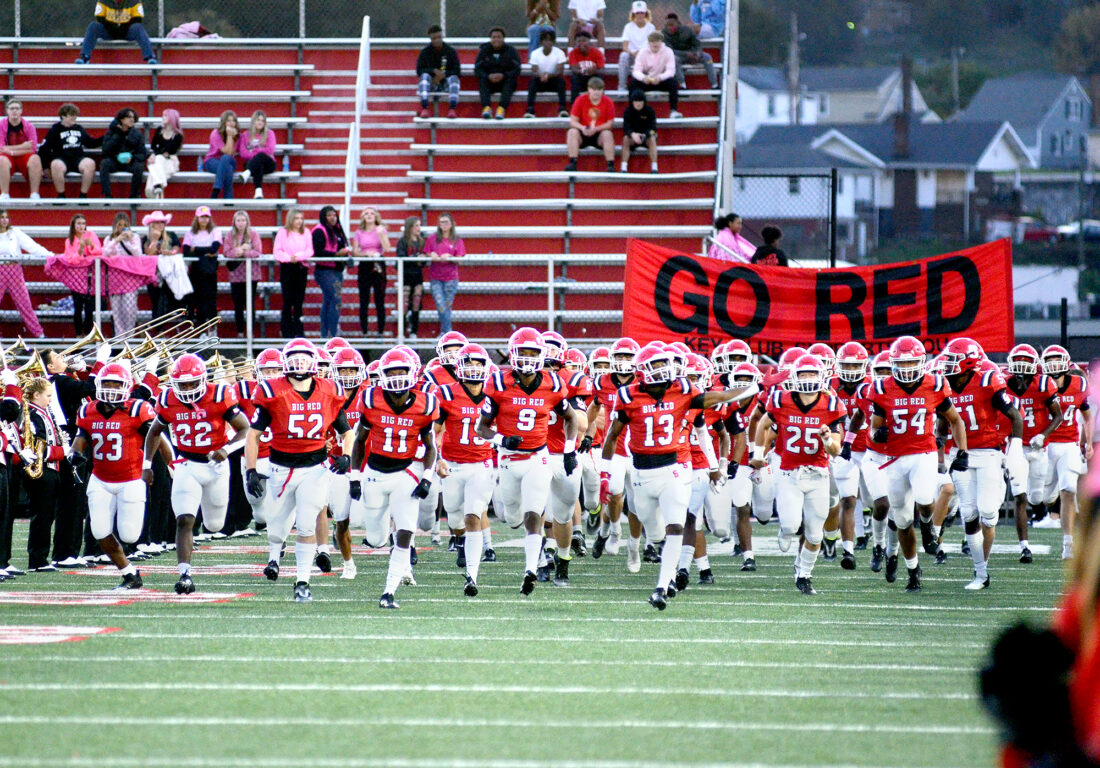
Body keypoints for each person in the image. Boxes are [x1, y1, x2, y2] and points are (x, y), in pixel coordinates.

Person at [600, 343, 757, 608]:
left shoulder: (683, 389)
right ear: (643, 371)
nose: (664, 369)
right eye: (657, 365)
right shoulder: (627, 395)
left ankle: (662, 587)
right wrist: (606, 474)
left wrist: (746, 390)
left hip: (675, 468)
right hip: (642, 472)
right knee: (657, 533)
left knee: (676, 525)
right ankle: (649, 554)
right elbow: (612, 436)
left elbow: (716, 398)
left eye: (665, 364)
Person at [246, 338, 352, 602]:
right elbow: (253, 436)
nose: (299, 364)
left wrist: (347, 456)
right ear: (285, 363)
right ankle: (274, 558)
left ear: (314, 362)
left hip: (315, 468)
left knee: (306, 527)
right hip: (280, 467)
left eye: (304, 359)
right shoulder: (272, 391)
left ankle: (302, 581)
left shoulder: (329, 390)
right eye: (294, 359)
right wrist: (250, 469)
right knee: (276, 526)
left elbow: (346, 432)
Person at [476, 328, 578, 595]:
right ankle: (534, 558)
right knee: (512, 517)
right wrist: (500, 439)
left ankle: (531, 568)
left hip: (538, 457)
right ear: (513, 354)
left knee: (534, 514)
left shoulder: (553, 383)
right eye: (524, 352)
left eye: (533, 353)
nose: (528, 358)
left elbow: (570, 418)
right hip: (509, 460)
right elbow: (481, 427)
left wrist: (569, 450)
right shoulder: (498, 383)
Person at [142, 353, 250, 594]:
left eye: (192, 383)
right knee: (184, 519)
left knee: (214, 526)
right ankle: (185, 574)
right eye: (183, 384)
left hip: (216, 465)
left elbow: (246, 429)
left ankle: (203, 531)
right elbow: (154, 432)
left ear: (203, 380)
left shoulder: (219, 395)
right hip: (186, 464)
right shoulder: (168, 399)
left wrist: (227, 448)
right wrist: (146, 465)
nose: (188, 389)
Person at [868, 336, 969, 592]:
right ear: (893, 365)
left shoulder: (934, 384)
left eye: (912, 362)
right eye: (902, 364)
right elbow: (873, 428)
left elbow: (955, 419)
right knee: (902, 521)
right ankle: (913, 570)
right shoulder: (883, 388)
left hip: (924, 452)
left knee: (925, 498)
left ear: (922, 362)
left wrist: (963, 449)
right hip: (894, 458)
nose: (907, 369)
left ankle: (928, 529)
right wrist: (876, 434)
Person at [349, 349, 440, 609]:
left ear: (414, 374)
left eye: (402, 372)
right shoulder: (370, 399)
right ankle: (383, 541)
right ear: (382, 375)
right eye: (391, 372)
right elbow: (359, 441)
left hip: (406, 472)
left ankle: (389, 592)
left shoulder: (426, 403)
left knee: (406, 530)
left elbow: (430, 444)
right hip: (376, 473)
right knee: (376, 539)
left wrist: (426, 477)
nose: (397, 377)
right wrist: (355, 477)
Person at [70, 363, 168, 590]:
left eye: (117, 384)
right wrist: (74, 454)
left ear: (127, 387)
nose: (112, 388)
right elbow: (81, 438)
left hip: (131, 478)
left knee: (130, 535)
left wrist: (168, 464)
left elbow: (158, 438)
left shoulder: (137, 409)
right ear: (98, 385)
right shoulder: (87, 411)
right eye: (107, 383)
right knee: (99, 531)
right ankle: (129, 573)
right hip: (100, 478)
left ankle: (130, 570)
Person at [939, 338, 1023, 590]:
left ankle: (982, 564)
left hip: (988, 453)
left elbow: (1015, 416)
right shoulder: (944, 386)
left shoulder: (987, 381)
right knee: (968, 514)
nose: (947, 364)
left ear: (967, 363)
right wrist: (939, 453)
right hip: (961, 454)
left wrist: (1016, 449)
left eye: (953, 359)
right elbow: (943, 425)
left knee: (988, 512)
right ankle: (980, 573)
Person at [1003, 344, 1064, 562]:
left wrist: (1043, 435)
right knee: (1020, 496)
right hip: (1016, 446)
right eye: (1017, 360)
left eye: (1025, 361)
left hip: (1038, 447)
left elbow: (1058, 416)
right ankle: (1025, 547)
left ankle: (1053, 493)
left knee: (1039, 497)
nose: (1020, 366)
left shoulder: (1044, 384)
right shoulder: (1003, 384)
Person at [1040, 344, 1092, 560]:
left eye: (1056, 359)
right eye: (1048, 360)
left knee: (1068, 490)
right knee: (1042, 496)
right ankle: (1049, 506)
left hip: (1069, 444)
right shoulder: (1039, 385)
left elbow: (1088, 416)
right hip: (1044, 446)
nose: (1052, 364)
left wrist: (1087, 442)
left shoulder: (1079, 384)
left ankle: (1068, 544)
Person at [0, 210, 47, 338]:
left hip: (14, 269)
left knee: (25, 304)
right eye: (1, 217)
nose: (4, 220)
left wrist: (51, 256)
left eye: (6, 217)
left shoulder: (15, 233)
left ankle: (39, 334)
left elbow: (32, 246)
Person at [40, 103, 101, 199]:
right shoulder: (55, 129)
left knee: (90, 163)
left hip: (78, 158)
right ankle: (61, 195)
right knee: (55, 165)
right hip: (61, 158)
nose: (74, 117)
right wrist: (45, 167)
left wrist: (106, 137)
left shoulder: (79, 128)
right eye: (71, 115)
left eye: (75, 115)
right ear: (63, 116)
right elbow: (44, 149)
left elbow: (90, 143)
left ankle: (83, 195)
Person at [102, 211, 144, 335]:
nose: (122, 228)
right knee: (117, 310)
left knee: (129, 308)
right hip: (115, 278)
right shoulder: (109, 239)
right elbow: (105, 253)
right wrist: (116, 240)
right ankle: (119, 337)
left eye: (124, 225)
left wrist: (129, 240)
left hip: (130, 277)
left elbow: (138, 254)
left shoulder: (134, 237)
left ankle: (129, 336)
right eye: (119, 225)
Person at [75, 0, 157, 65]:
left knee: (138, 27)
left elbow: (137, 18)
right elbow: (99, 17)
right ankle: (85, 56)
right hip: (109, 30)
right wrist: (113, 28)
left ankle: (150, 56)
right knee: (93, 26)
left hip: (127, 31)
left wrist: (123, 28)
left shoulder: (134, 1)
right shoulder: (103, 1)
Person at [312, 205, 351, 338]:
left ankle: (327, 332)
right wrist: (336, 254)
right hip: (325, 270)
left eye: (334, 215)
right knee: (335, 299)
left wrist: (345, 257)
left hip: (337, 270)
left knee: (329, 300)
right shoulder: (319, 231)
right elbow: (317, 252)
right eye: (329, 215)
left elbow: (343, 248)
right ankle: (331, 332)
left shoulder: (338, 230)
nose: (332, 218)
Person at [141, 210, 188, 320]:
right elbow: (149, 252)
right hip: (154, 274)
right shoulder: (146, 238)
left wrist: (170, 253)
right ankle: (157, 326)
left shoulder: (171, 235)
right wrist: (155, 239)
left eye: (162, 222)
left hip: (170, 272)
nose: (160, 225)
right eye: (157, 223)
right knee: (156, 300)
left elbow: (176, 248)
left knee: (167, 299)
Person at [274, 208, 312, 338]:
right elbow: (277, 251)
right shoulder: (283, 232)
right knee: (287, 300)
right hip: (287, 268)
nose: (299, 221)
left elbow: (309, 250)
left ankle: (299, 331)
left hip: (301, 268)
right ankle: (286, 331)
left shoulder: (306, 232)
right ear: (291, 219)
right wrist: (289, 258)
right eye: (296, 218)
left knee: (299, 301)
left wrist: (299, 256)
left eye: (301, 218)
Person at [181, 206, 222, 325]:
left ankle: (212, 326)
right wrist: (206, 252)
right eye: (201, 217)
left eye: (206, 217)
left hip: (210, 268)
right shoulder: (190, 232)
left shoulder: (215, 231)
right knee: (197, 298)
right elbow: (186, 251)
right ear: (197, 218)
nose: (204, 220)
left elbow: (214, 248)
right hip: (196, 269)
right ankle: (201, 327)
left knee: (210, 298)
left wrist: (196, 249)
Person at [424, 213, 465, 334]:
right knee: (440, 304)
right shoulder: (432, 238)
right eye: (441, 222)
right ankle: (448, 332)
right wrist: (432, 255)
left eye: (446, 222)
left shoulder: (457, 240)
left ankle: (445, 332)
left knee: (447, 306)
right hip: (436, 277)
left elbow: (460, 258)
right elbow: (427, 251)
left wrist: (449, 257)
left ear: (451, 224)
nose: (444, 225)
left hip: (451, 278)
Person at [224, 210, 263, 335]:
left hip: (251, 274)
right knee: (238, 304)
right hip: (236, 275)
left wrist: (244, 253)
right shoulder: (230, 235)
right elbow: (226, 252)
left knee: (250, 304)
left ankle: (250, 331)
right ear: (234, 222)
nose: (241, 223)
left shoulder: (253, 234)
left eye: (243, 220)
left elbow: (257, 252)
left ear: (247, 222)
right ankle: (240, 331)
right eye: (238, 220)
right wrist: (240, 249)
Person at [565, 77, 616, 173]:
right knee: (572, 131)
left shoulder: (608, 102)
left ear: (602, 90)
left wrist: (596, 129)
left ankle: (610, 164)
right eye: (594, 89)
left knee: (607, 134)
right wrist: (583, 128)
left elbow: (609, 124)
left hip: (599, 134)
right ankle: (573, 162)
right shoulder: (580, 100)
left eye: (599, 90)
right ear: (588, 89)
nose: (596, 92)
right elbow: (573, 121)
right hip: (583, 132)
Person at [63, 214, 102, 335]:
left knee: (89, 308)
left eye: (83, 223)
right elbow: (71, 260)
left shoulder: (91, 235)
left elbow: (99, 251)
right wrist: (80, 250)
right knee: (78, 308)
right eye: (78, 224)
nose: (81, 226)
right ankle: (78, 334)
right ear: (73, 226)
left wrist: (90, 245)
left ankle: (89, 334)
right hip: (76, 279)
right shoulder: (69, 241)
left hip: (90, 277)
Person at [353, 207, 390, 337]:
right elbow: (355, 252)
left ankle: (380, 331)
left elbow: (387, 248)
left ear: (376, 216)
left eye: (372, 213)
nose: (369, 215)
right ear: (363, 217)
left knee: (379, 299)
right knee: (364, 300)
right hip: (365, 264)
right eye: (366, 213)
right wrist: (365, 254)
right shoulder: (359, 232)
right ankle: (364, 331)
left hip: (378, 263)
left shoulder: (381, 229)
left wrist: (381, 234)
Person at [474, 27, 522, 120]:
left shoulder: (511, 51)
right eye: (494, 37)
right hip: (490, 82)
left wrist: (504, 75)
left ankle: (501, 108)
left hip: (505, 82)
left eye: (499, 37)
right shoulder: (484, 50)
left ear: (503, 38)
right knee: (482, 80)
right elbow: (477, 69)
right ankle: (486, 108)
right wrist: (488, 76)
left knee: (510, 80)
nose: (496, 39)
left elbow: (517, 69)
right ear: (490, 39)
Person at [630, 32, 681, 118]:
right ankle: (633, 111)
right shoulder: (642, 52)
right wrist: (643, 78)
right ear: (649, 42)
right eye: (652, 41)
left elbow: (671, 71)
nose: (655, 43)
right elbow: (636, 71)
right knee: (633, 83)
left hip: (661, 80)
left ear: (661, 42)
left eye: (657, 41)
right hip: (647, 80)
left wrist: (660, 77)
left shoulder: (668, 51)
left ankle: (673, 111)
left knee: (672, 82)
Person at [99, 107, 146, 199]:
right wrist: (118, 135)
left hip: (130, 162)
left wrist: (132, 158)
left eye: (133, 117)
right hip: (115, 161)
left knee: (139, 166)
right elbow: (105, 151)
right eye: (129, 117)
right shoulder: (112, 132)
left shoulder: (137, 134)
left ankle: (134, 195)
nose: (132, 119)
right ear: (121, 119)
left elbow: (142, 154)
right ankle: (107, 195)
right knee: (104, 164)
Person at [0, 100, 43, 201]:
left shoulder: (29, 126)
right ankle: (4, 194)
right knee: (1, 160)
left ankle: (34, 194)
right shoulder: (1, 126)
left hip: (22, 156)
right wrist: (22, 146)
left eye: (17, 108)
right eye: (12, 108)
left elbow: (32, 148)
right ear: (7, 111)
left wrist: (11, 150)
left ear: (21, 111)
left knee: (35, 158)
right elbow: (1, 148)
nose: (14, 111)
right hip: (7, 156)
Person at [416, 25, 461, 120]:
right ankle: (425, 108)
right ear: (430, 39)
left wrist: (444, 75)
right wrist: (433, 71)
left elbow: (457, 71)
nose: (437, 40)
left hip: (445, 84)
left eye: (439, 37)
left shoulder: (450, 51)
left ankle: (452, 109)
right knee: (424, 77)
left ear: (442, 36)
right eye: (434, 38)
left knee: (454, 79)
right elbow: (419, 70)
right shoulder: (425, 52)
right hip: (431, 84)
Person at [663, 12, 718, 89]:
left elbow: (697, 44)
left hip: (693, 54)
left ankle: (714, 85)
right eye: (667, 25)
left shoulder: (687, 30)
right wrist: (686, 54)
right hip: (679, 56)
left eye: (671, 25)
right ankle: (682, 85)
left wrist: (697, 53)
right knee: (674, 59)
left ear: (677, 23)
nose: (669, 28)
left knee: (707, 57)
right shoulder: (664, 34)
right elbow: (669, 51)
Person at [526, 30, 569, 118]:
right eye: (545, 40)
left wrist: (548, 75)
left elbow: (560, 72)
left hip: (553, 80)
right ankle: (530, 110)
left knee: (561, 82)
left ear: (553, 42)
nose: (548, 42)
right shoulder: (535, 53)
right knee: (532, 82)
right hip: (540, 80)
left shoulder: (559, 53)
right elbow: (534, 71)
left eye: (550, 40)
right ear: (541, 42)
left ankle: (562, 109)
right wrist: (541, 76)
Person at [237, 110, 277, 199]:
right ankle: (258, 192)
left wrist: (254, 151)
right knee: (258, 165)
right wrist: (259, 152)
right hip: (253, 164)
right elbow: (243, 153)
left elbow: (270, 150)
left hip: (269, 163)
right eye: (258, 120)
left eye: (263, 121)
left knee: (261, 156)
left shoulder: (270, 133)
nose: (260, 122)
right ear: (253, 121)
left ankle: (247, 173)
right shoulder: (245, 135)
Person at [396, 216, 425, 337]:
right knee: (404, 303)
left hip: (417, 276)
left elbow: (423, 261)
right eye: (416, 225)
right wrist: (415, 259)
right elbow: (401, 258)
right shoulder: (402, 241)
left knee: (416, 302)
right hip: (406, 276)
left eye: (419, 225)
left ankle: (414, 331)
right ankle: (401, 331)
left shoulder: (421, 241)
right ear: (410, 227)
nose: (418, 228)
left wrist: (421, 260)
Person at [619, 2, 655, 94]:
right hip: (632, 55)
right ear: (633, 13)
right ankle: (622, 86)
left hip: (646, 56)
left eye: (642, 12)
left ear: (646, 13)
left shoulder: (651, 27)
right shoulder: (628, 27)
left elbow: (653, 46)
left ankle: (651, 85)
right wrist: (633, 53)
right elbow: (625, 47)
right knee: (623, 56)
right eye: (637, 13)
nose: (639, 15)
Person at [146, 109, 182, 199]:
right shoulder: (159, 130)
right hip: (159, 158)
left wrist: (159, 152)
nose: (163, 118)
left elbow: (171, 150)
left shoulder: (178, 135)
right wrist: (159, 153)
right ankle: (158, 185)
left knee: (155, 163)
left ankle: (152, 188)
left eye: (165, 116)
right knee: (157, 160)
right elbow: (153, 146)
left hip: (170, 160)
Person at [204, 110, 240, 199]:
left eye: (233, 121)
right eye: (228, 121)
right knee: (228, 169)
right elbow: (225, 150)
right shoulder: (215, 133)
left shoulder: (239, 135)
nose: (231, 123)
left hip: (230, 160)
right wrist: (229, 135)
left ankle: (216, 189)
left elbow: (230, 153)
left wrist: (231, 136)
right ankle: (229, 199)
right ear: (224, 122)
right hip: (212, 161)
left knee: (226, 158)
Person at [621, 89, 658, 173]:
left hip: (646, 137)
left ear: (644, 102)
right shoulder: (628, 111)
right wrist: (633, 134)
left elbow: (653, 129)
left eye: (640, 101)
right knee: (625, 139)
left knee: (652, 139)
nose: (638, 103)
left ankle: (654, 168)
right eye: (636, 101)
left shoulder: (650, 110)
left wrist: (645, 135)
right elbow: (626, 127)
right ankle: (623, 168)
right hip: (633, 137)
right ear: (632, 102)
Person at [567, 29, 606, 103]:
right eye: (579, 41)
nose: (581, 43)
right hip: (581, 79)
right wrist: (583, 71)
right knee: (575, 78)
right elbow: (573, 68)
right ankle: (574, 105)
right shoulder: (573, 53)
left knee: (599, 77)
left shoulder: (597, 52)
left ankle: (601, 102)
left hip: (593, 78)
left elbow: (601, 69)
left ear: (589, 42)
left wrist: (594, 70)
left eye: (584, 41)